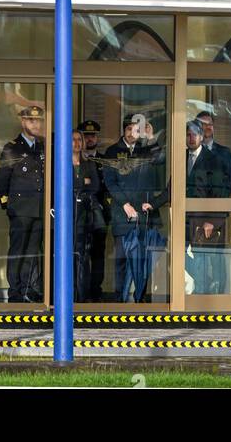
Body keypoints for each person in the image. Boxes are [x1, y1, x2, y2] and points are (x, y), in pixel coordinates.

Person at [102, 114, 167, 302]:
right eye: (129, 128)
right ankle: (120, 299)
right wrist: (125, 204)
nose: (133, 133)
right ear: (124, 130)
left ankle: (140, 299)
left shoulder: (146, 149)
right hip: (122, 213)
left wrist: (151, 139)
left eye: (136, 129)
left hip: (144, 213)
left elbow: (160, 160)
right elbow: (110, 182)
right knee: (122, 259)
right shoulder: (113, 151)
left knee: (142, 260)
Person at [0, 104, 46, 303]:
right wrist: (7, 204)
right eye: (32, 120)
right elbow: (2, 179)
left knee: (32, 250)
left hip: (40, 207)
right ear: (23, 121)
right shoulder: (12, 147)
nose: (36, 124)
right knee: (18, 250)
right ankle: (15, 290)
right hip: (20, 208)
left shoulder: (43, 145)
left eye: (39, 120)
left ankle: (26, 287)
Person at [185, 118, 228, 294]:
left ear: (201, 137)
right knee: (182, 257)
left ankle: (200, 297)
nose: (191, 138)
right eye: (188, 135)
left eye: (194, 134)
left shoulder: (213, 160)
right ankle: (201, 287)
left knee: (201, 260)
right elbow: (171, 188)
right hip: (184, 219)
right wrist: (154, 204)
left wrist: (212, 220)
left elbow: (221, 192)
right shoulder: (181, 158)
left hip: (203, 221)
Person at [77, 118, 109, 301]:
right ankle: (81, 292)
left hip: (99, 213)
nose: (90, 139)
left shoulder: (103, 160)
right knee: (80, 253)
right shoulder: (75, 160)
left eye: (92, 136)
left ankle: (95, 291)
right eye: (86, 135)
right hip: (79, 213)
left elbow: (101, 187)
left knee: (98, 254)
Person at [72, 130, 104, 302]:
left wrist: (76, 185)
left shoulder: (89, 164)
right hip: (66, 215)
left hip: (84, 215)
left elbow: (95, 187)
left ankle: (81, 296)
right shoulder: (60, 162)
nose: (77, 143)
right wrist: (82, 182)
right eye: (73, 140)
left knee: (82, 257)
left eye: (79, 140)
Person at [196, 111, 231, 196]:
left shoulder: (225, 152)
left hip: (219, 205)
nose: (208, 127)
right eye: (204, 124)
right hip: (196, 204)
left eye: (210, 124)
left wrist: (219, 198)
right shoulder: (191, 153)